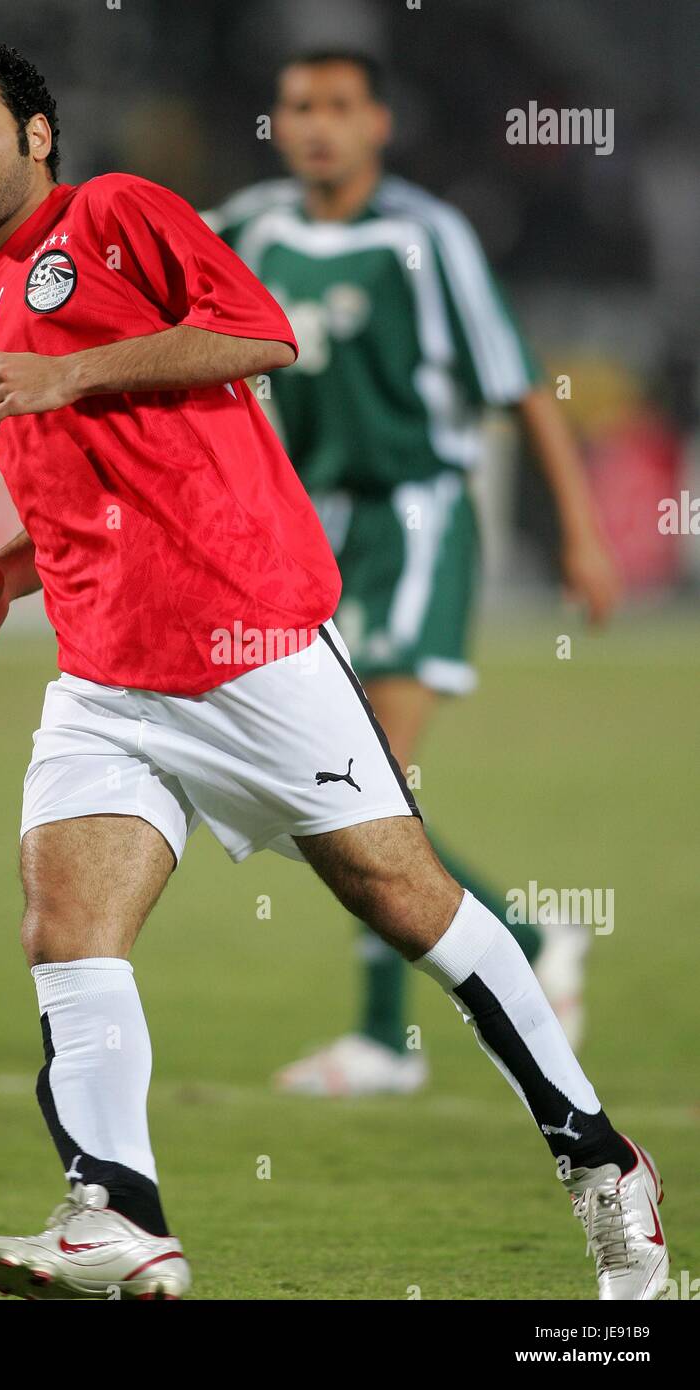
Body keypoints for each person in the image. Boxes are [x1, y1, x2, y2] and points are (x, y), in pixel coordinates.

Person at [0, 30, 667, 1301]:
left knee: (406, 903)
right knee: (64, 929)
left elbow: (258, 334)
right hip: (104, 680)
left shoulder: (120, 214)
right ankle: (117, 1216)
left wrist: (70, 367)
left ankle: (597, 1156)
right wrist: (3, 577)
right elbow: (95, 499)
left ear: (38, 134)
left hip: (245, 642)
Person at [201, 50, 623, 1095]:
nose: (316, 126)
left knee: (363, 781)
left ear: (377, 124)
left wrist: (580, 532)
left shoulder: (425, 237)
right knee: (331, 792)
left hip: (419, 521)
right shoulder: (249, 224)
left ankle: (385, 1042)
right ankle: (526, 932)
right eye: (298, 106)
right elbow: (126, 266)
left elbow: (520, 387)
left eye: (339, 107)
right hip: (308, 537)